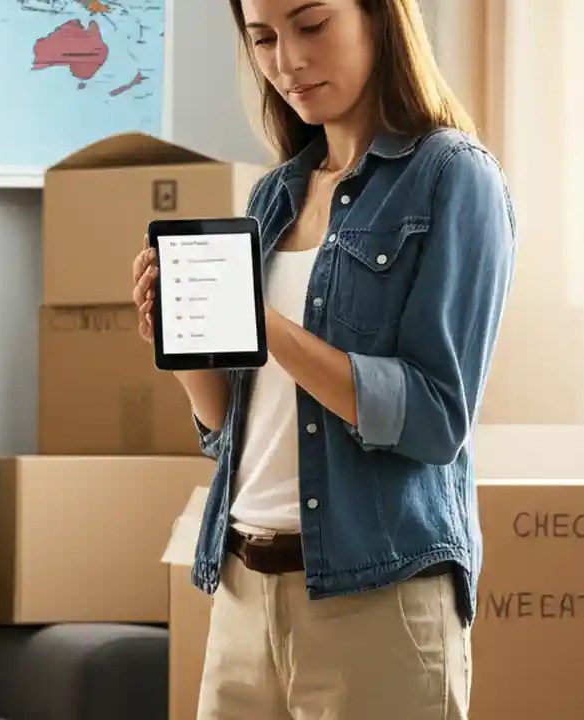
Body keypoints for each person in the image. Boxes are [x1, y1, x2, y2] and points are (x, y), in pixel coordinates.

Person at [130, 1, 516, 717]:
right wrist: (181, 343)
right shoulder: (274, 195)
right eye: (264, 39)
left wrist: (266, 326)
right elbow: (230, 434)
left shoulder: (453, 176)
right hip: (243, 588)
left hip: (379, 596)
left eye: (311, 25)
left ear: (380, 18)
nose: (286, 61)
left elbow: (434, 418)